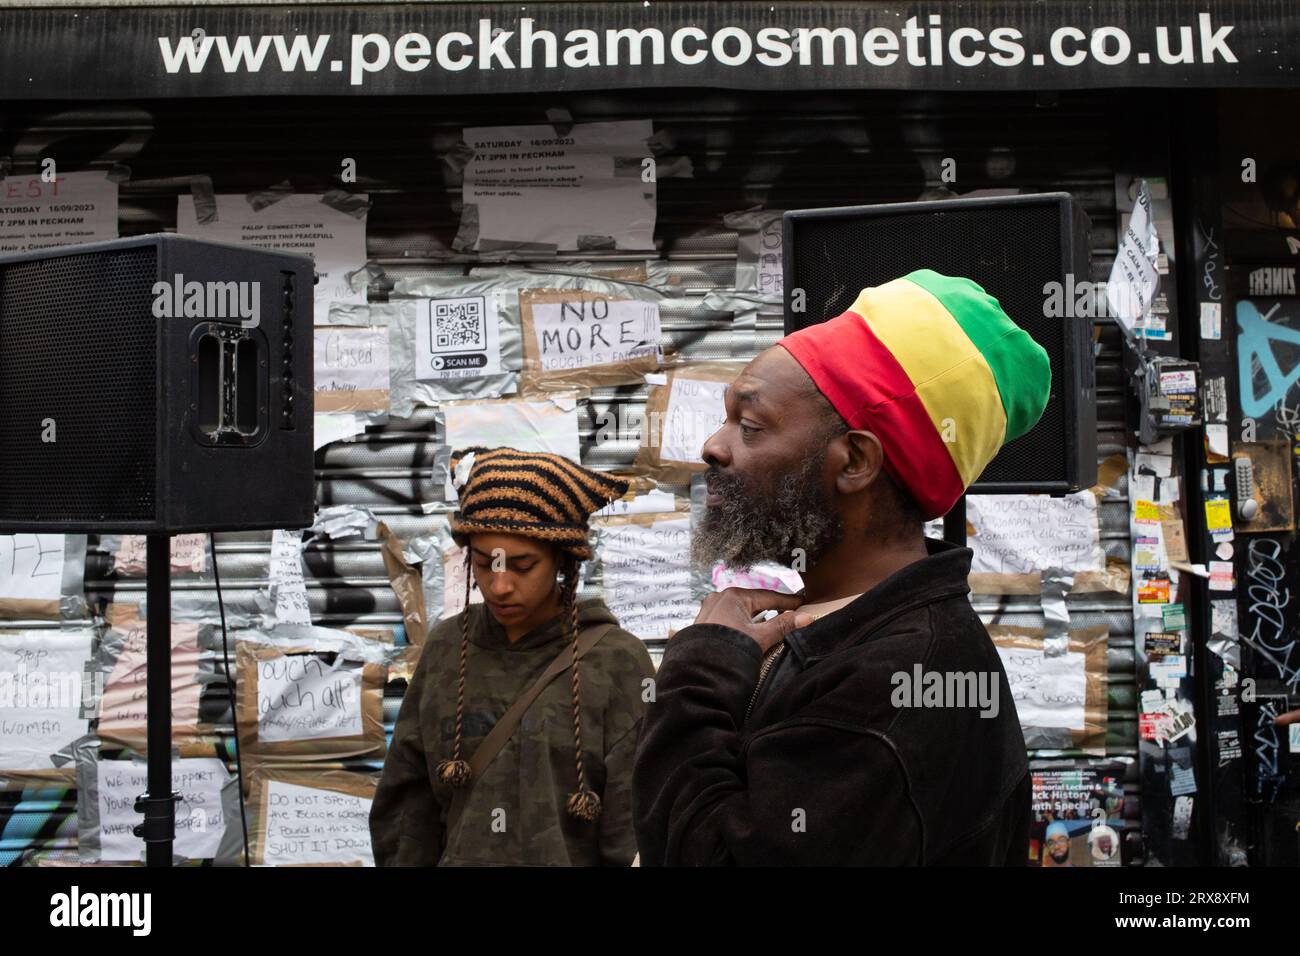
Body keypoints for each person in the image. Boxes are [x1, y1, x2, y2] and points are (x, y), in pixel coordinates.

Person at [632, 269, 1051, 865]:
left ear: (854, 461)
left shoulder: (905, 682)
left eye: (749, 427)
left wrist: (700, 668)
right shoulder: (843, 628)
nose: (713, 446)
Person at [370, 446, 654, 866]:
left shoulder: (617, 663)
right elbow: (406, 804)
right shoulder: (448, 649)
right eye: (484, 564)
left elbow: (633, 828)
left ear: (562, 559)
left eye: (522, 566)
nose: (499, 586)